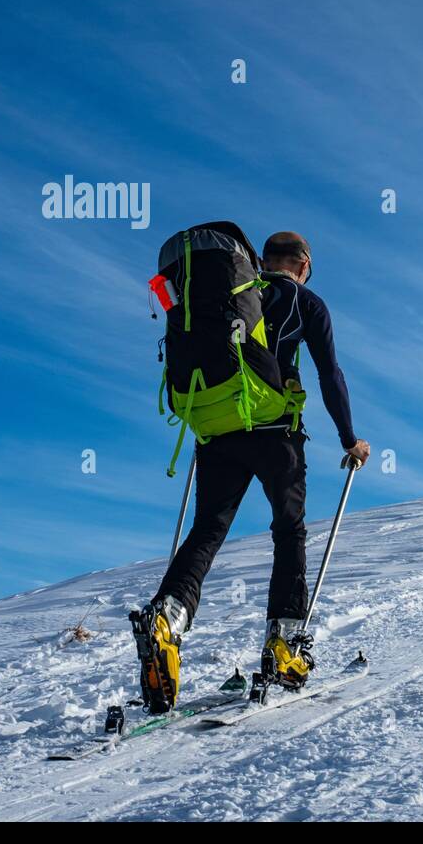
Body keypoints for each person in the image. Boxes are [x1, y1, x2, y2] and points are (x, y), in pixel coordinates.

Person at [134, 231, 370, 711]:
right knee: (289, 530)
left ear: (261, 260)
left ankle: (167, 618)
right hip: (275, 431)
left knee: (207, 530)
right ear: (304, 265)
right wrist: (350, 439)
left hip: (216, 427)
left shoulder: (233, 293)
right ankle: (283, 646)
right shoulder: (306, 302)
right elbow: (330, 375)